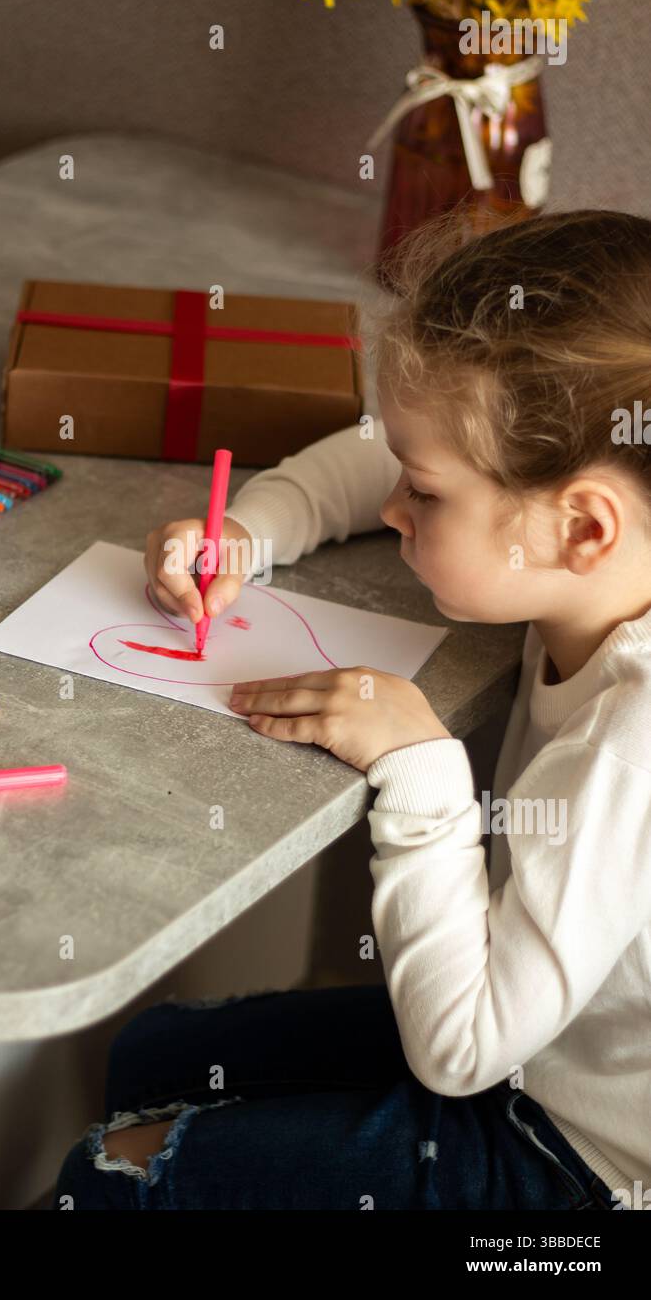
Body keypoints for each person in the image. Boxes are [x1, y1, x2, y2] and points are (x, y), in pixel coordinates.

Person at [54, 208, 651, 1210]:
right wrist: (251, 529)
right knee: (148, 1058)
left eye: (423, 497)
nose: (391, 508)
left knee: (114, 1174)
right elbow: (389, 451)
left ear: (582, 526)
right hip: (533, 1041)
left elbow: (459, 1049)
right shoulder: (597, 548)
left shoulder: (626, 749)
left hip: (577, 1161)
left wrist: (420, 769)